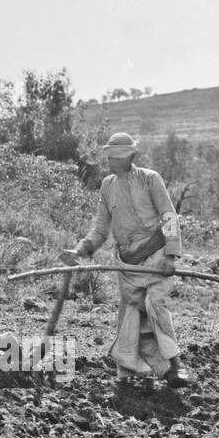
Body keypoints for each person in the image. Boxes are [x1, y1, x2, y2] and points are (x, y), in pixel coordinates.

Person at [62, 132, 190, 387]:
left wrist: (171, 255)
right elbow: (100, 229)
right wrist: (80, 250)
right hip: (127, 264)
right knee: (133, 316)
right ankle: (139, 371)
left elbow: (169, 216)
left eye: (118, 156)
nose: (112, 161)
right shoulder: (108, 185)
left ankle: (176, 364)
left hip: (155, 256)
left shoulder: (150, 179)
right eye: (110, 156)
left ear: (131, 155)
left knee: (155, 305)